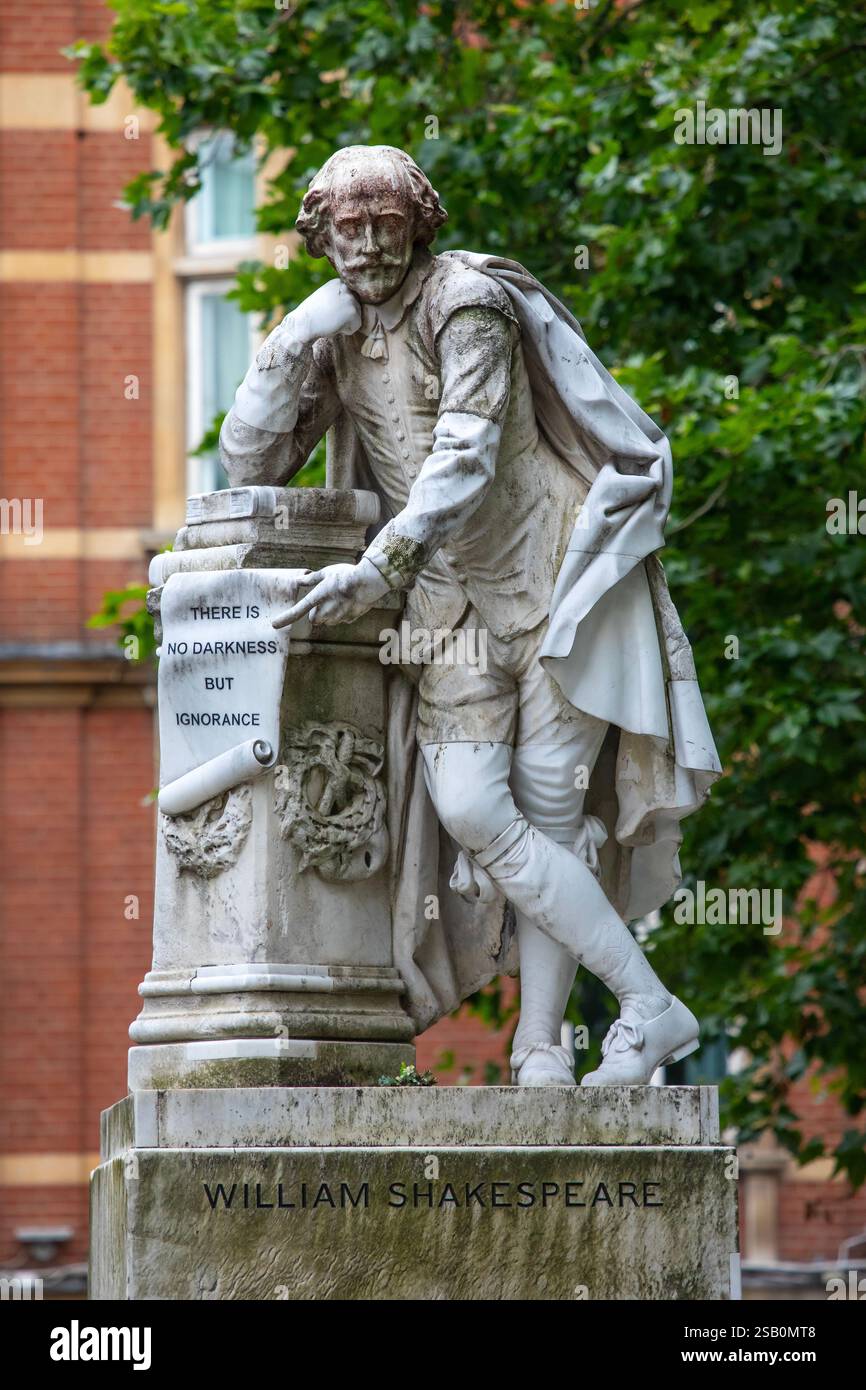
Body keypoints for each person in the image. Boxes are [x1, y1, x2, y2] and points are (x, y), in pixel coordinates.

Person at [219, 144, 721, 1086]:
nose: (368, 244)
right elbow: (249, 464)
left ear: (418, 222)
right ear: (321, 235)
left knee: (546, 813)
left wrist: (377, 570)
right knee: (471, 805)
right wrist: (295, 332)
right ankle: (650, 1005)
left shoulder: (468, 300)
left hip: (553, 580)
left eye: (384, 222)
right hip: (445, 603)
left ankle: (540, 1050)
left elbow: (466, 453)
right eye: (347, 227)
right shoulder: (335, 329)